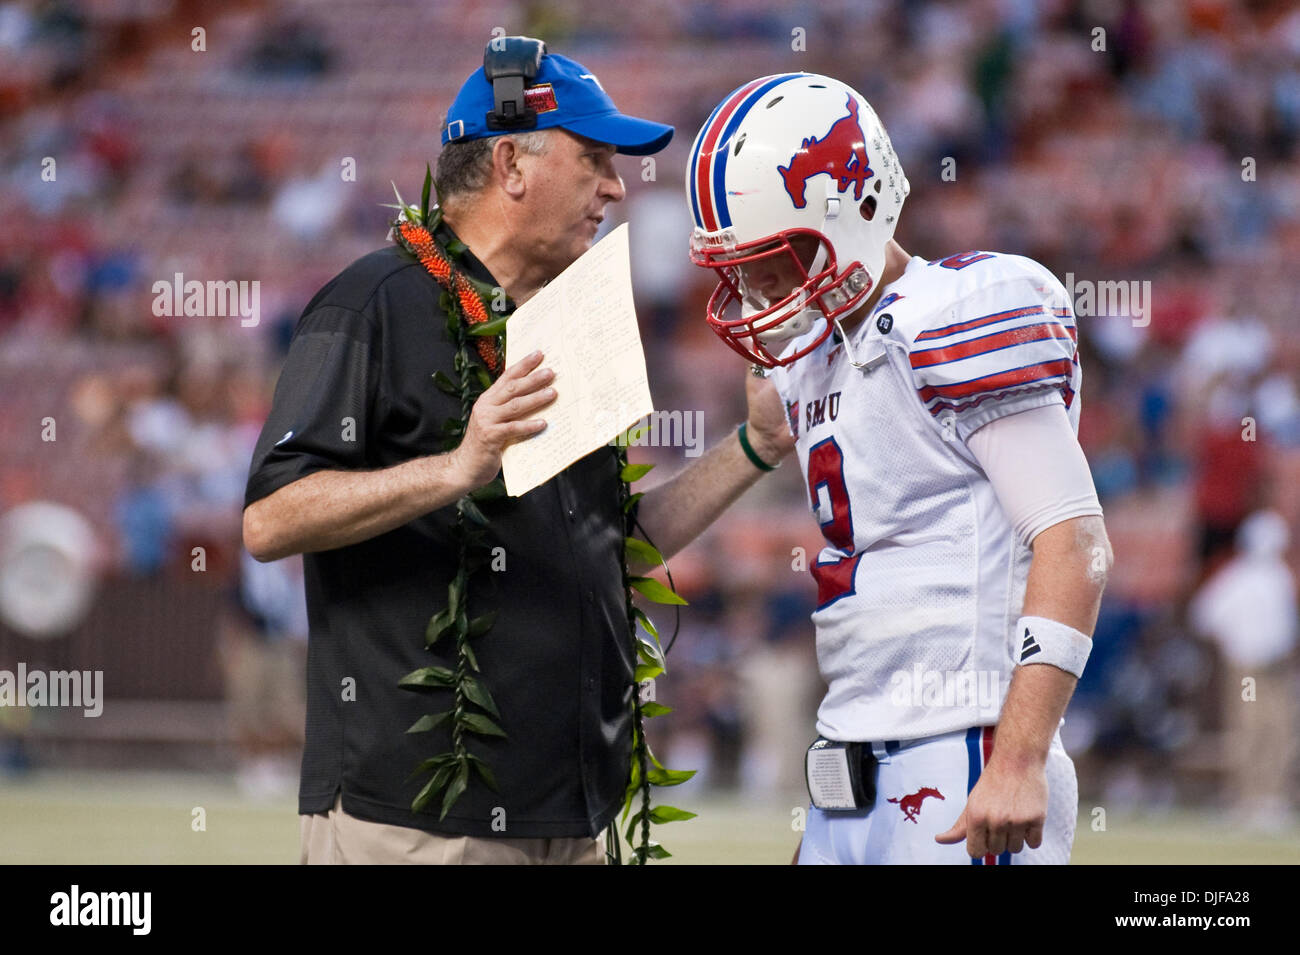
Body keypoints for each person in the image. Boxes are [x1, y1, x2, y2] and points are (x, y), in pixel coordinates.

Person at [241, 39, 794, 865]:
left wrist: (755, 446)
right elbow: (270, 518)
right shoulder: (372, 302)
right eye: (595, 158)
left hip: (571, 811)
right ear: (510, 163)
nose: (614, 185)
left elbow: (617, 548)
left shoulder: (575, 321)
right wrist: (457, 467)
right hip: (420, 814)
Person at [684, 73, 1113, 864]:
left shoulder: (954, 314)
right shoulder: (811, 361)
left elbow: (1075, 539)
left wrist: (1018, 758)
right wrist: (754, 442)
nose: (753, 290)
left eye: (772, 258)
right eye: (737, 266)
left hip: (964, 745)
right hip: (849, 758)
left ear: (850, 210)